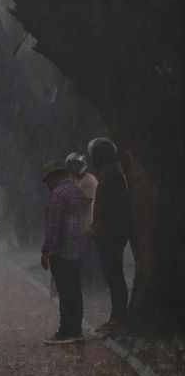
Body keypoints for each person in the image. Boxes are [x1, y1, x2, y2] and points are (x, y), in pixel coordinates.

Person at [40, 160, 89, 344]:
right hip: (78, 248)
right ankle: (76, 329)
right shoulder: (77, 191)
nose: (47, 184)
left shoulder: (58, 195)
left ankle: (66, 331)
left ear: (54, 178)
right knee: (75, 291)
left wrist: (45, 251)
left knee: (65, 292)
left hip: (62, 251)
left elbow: (53, 227)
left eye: (47, 180)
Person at [88, 138, 131, 335]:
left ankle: (118, 319)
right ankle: (116, 318)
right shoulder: (112, 176)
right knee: (112, 278)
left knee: (115, 278)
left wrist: (102, 231)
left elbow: (115, 212)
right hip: (107, 234)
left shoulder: (113, 179)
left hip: (110, 236)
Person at [65, 152, 101, 290]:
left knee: (87, 258)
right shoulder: (74, 180)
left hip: (87, 225)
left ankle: (89, 284)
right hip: (76, 226)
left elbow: (85, 203)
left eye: (76, 165)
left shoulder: (89, 180)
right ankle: (82, 283)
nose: (74, 168)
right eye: (71, 166)